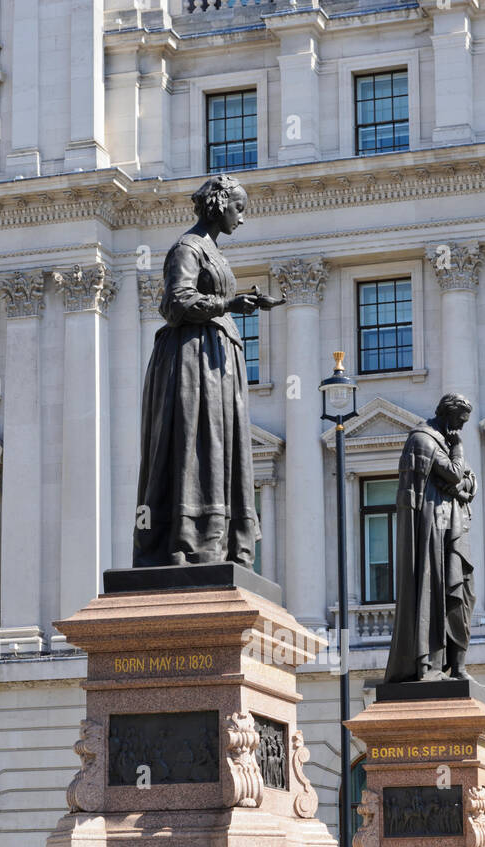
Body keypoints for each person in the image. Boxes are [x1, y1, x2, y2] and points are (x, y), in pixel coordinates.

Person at [133, 173, 284, 569]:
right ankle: (190, 539)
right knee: (198, 444)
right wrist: (230, 305)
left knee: (223, 447)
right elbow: (176, 303)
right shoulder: (187, 248)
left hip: (218, 362)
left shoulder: (213, 251)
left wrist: (244, 301)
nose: (242, 218)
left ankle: (227, 542)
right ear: (220, 204)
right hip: (192, 361)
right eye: (239, 208)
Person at [383, 393, 477, 683]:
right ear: (447, 415)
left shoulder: (445, 442)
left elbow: (469, 481)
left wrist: (458, 484)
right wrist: (458, 453)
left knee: (463, 596)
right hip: (433, 534)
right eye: (458, 422)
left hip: (454, 528)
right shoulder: (423, 440)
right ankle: (430, 665)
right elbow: (453, 473)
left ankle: (459, 667)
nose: (459, 430)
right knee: (436, 594)